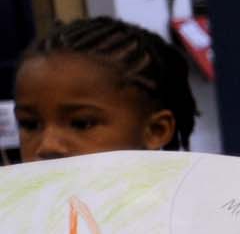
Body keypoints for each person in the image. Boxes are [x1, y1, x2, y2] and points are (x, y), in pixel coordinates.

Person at [10, 17, 197, 161]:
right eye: (30, 125)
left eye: (81, 123)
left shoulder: (184, 209)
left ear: (156, 130)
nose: (47, 146)